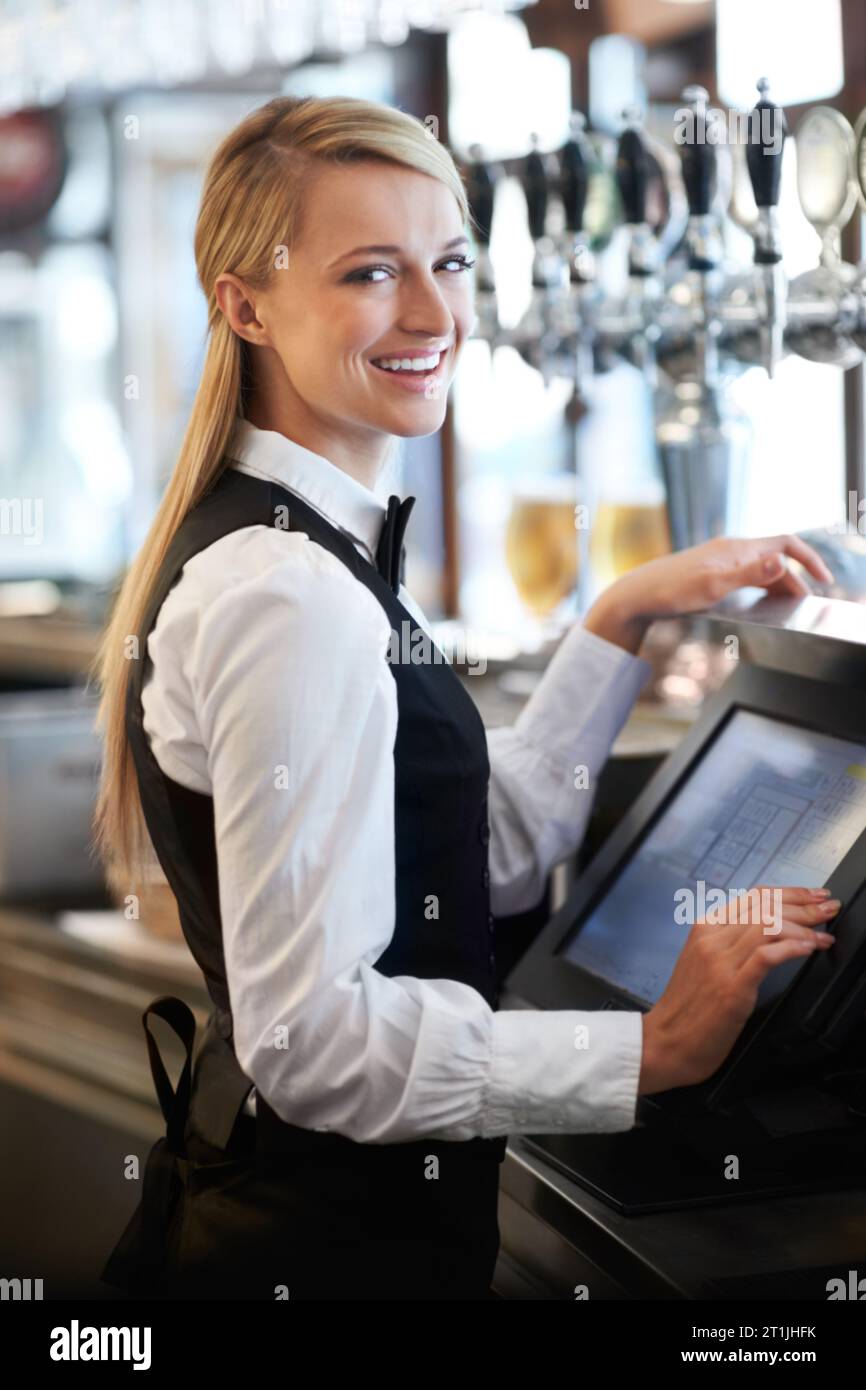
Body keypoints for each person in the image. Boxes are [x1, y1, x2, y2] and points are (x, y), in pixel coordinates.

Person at [91, 94, 838, 1302]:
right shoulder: (290, 593)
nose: (436, 315)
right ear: (244, 304)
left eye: (448, 262)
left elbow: (467, 861)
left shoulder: (310, 550)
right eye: (370, 273)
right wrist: (649, 1048)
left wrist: (619, 617)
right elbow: (310, 1047)